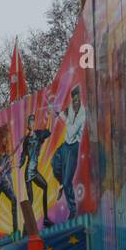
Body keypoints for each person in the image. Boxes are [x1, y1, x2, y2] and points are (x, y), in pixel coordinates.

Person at [52, 87, 85, 219]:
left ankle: (72, 209)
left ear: (80, 98)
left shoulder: (83, 114)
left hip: (73, 147)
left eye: (77, 99)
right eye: (73, 99)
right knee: (54, 162)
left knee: (67, 182)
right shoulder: (71, 107)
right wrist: (60, 113)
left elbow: (71, 131)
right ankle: (60, 182)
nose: (75, 102)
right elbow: (63, 112)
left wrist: (63, 118)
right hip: (65, 145)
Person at [19, 111, 52, 225]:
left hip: (34, 170)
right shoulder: (26, 140)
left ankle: (46, 219)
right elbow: (23, 156)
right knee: (31, 200)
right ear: (28, 125)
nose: (32, 123)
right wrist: (19, 164)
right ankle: (26, 227)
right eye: (30, 122)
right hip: (28, 172)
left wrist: (50, 116)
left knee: (45, 186)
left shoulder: (38, 134)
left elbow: (48, 132)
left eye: (33, 121)